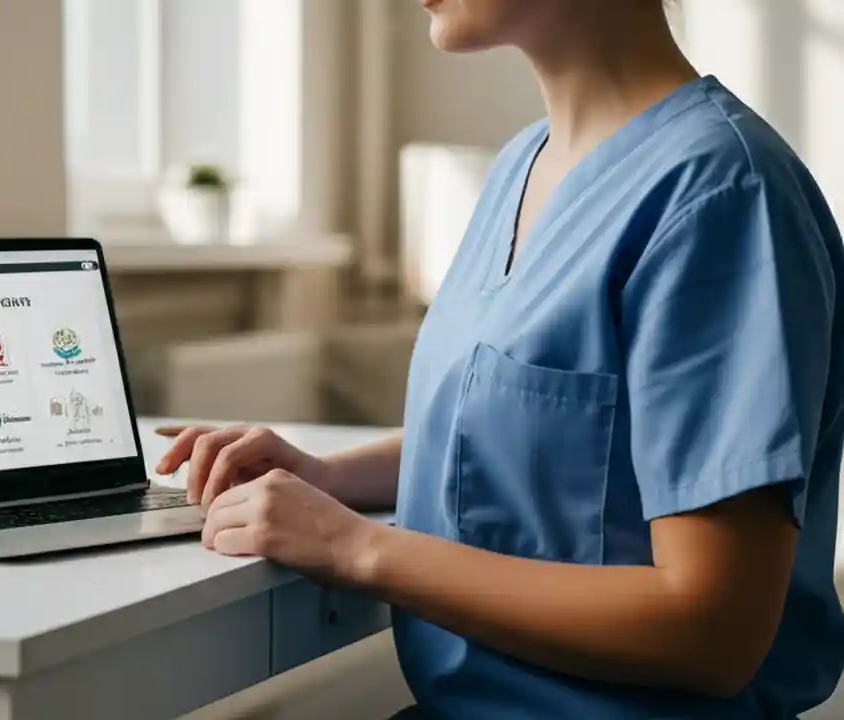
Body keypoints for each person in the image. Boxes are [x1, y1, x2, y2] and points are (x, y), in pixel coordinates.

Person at [156, 0, 844, 717]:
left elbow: (712, 630)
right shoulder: (523, 164)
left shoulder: (723, 197)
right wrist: (329, 476)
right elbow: (531, 428)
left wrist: (357, 549)